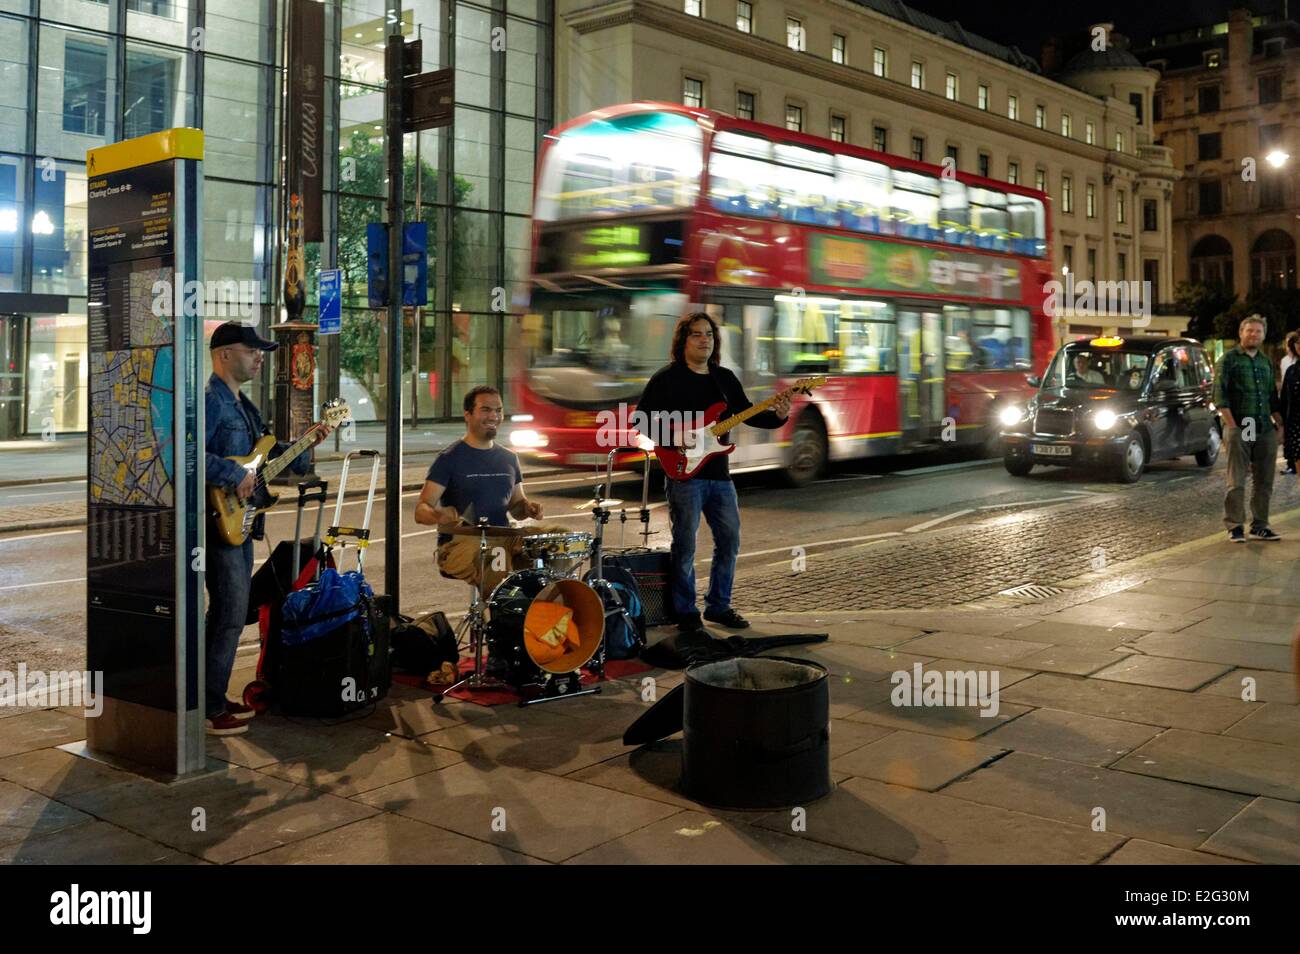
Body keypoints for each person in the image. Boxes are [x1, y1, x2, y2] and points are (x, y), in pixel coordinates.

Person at [204, 321, 328, 736]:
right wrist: (227, 473)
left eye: (261, 351)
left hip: (243, 522)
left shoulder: (245, 406)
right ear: (223, 355)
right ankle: (208, 706)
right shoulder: (211, 402)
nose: (259, 357)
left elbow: (270, 461)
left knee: (231, 612)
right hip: (217, 520)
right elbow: (185, 452)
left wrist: (307, 446)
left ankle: (209, 696)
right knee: (229, 613)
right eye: (250, 350)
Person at [636, 312, 791, 632]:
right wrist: (673, 437)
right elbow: (640, 421)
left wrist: (778, 417)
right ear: (683, 340)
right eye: (697, 334)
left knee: (729, 539)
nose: (704, 339)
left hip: (720, 475)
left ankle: (719, 606)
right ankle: (685, 611)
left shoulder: (724, 378)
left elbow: (748, 415)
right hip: (684, 474)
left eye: (709, 334)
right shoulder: (666, 378)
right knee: (685, 544)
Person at [414, 386, 552, 595]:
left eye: (498, 410)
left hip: (504, 536)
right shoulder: (449, 459)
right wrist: (437, 515)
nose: (494, 416)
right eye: (486, 410)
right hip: (462, 542)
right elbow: (420, 510)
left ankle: (544, 608)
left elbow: (516, 508)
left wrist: (528, 508)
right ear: (467, 415)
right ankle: (502, 617)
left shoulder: (509, 458)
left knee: (557, 540)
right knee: (498, 560)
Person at [1214, 314, 1284, 542]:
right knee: (1238, 478)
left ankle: (1260, 525)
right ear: (1241, 333)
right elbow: (1219, 395)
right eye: (1249, 331)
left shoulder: (1264, 362)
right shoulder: (1229, 360)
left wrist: (1279, 424)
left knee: (1264, 479)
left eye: (1258, 331)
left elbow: (1272, 396)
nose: (1254, 335)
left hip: (1263, 425)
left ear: (1263, 335)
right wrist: (1232, 426)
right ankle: (1235, 525)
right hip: (1243, 423)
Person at [1281, 331, 1300, 474]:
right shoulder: (1292, 371)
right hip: (1296, 428)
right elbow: (1285, 401)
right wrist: (1282, 426)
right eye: (1298, 343)